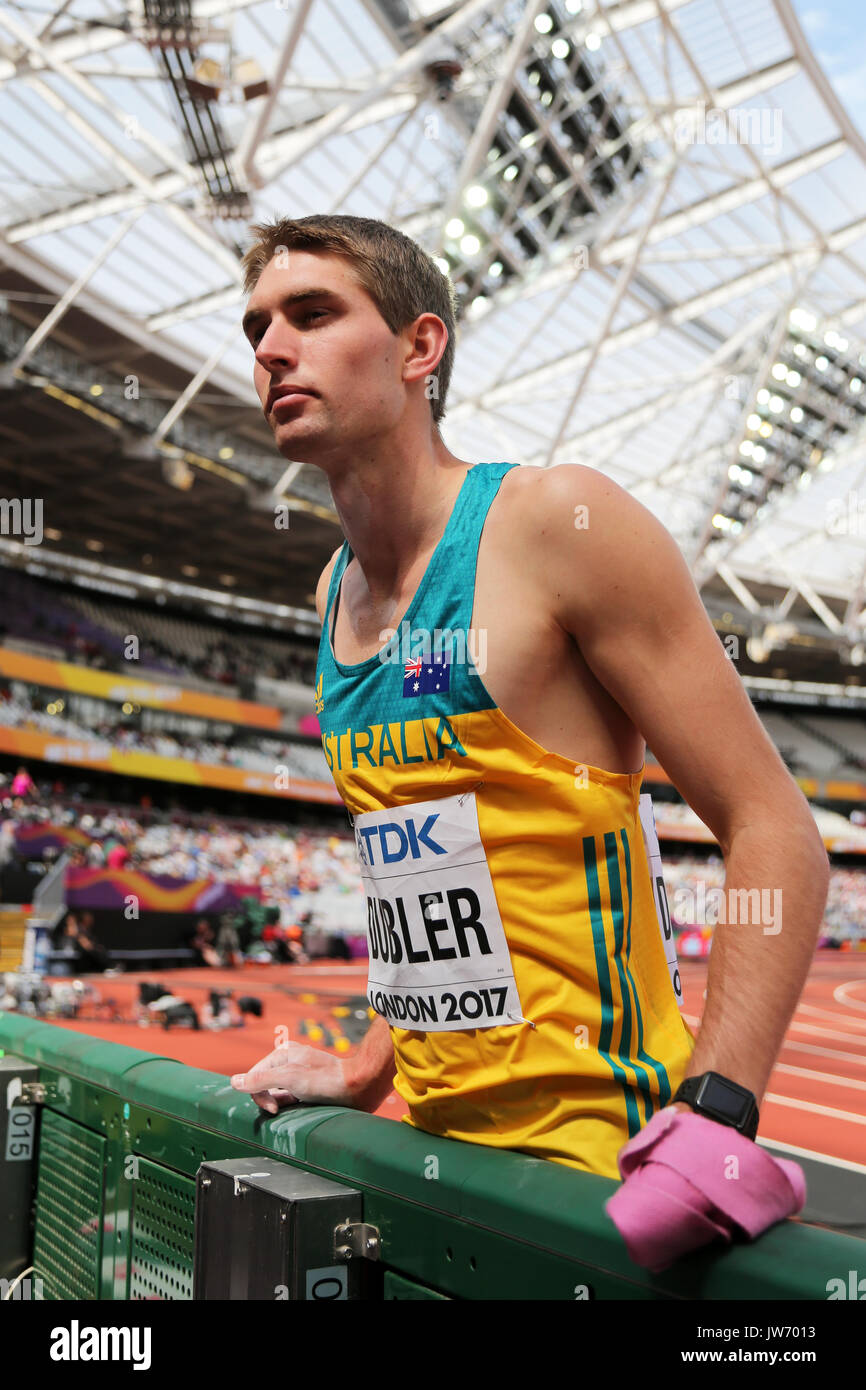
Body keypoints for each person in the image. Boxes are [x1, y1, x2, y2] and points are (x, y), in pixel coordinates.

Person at [230, 215, 829, 1266]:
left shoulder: (556, 523)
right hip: (436, 1156)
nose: (271, 347)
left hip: (599, 1175)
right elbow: (423, 861)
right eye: (257, 326)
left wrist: (713, 1113)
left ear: (420, 348)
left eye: (313, 314)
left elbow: (771, 825)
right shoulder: (332, 592)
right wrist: (372, 1068)